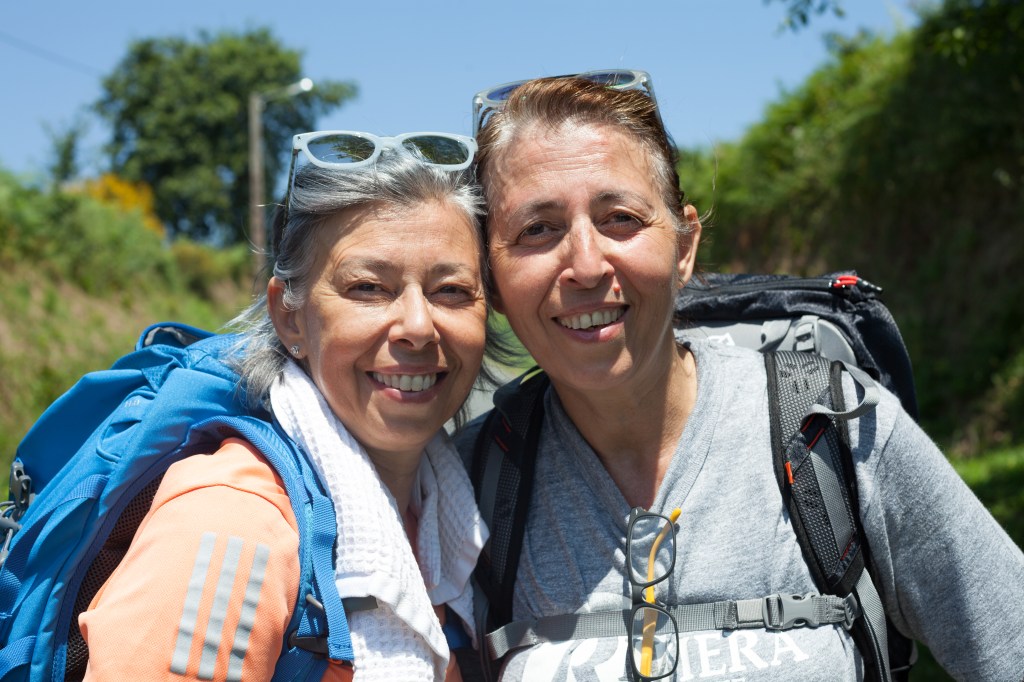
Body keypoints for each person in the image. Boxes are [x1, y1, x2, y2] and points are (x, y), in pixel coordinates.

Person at [456, 72, 1024, 681]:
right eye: (537, 229)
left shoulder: (832, 425)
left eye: (620, 217)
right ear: (491, 279)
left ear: (683, 246)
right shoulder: (468, 486)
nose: (587, 265)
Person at [79, 131, 496, 681]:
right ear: (290, 317)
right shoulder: (234, 521)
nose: (418, 327)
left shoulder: (448, 517)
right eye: (369, 288)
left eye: (451, 291)